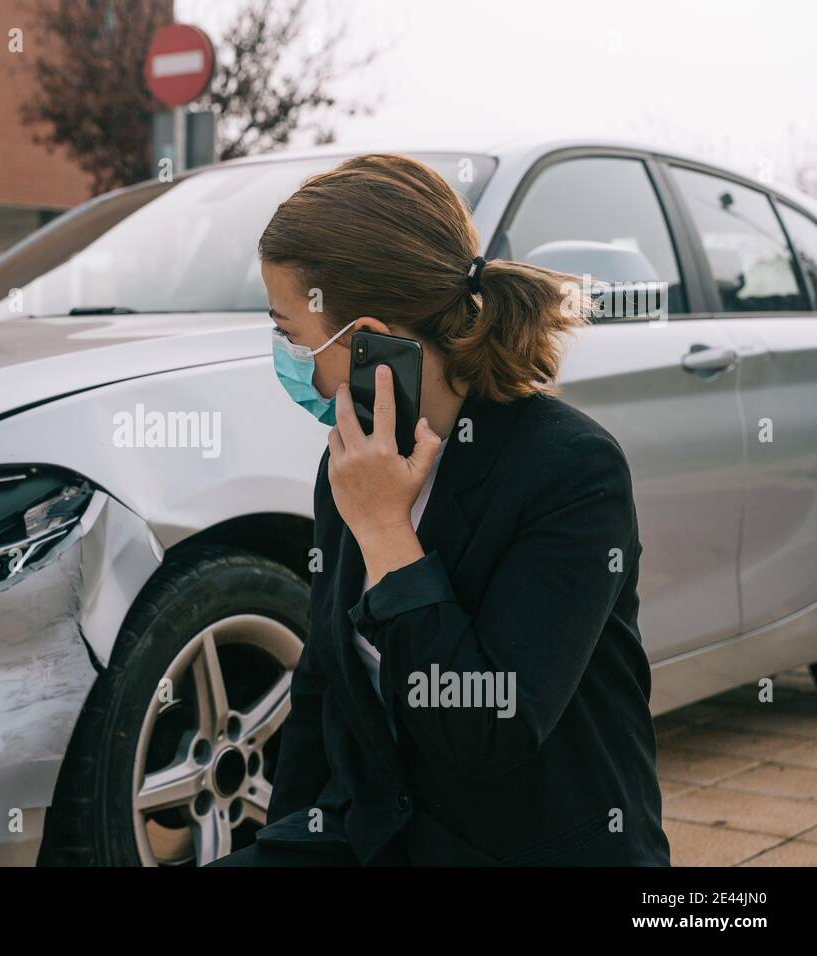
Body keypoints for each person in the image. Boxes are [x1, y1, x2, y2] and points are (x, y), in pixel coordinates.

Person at [207, 153, 670, 867]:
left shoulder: (572, 472)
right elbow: (325, 684)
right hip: (380, 840)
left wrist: (388, 532)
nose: (284, 354)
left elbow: (489, 729)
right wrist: (288, 839)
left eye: (288, 330)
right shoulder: (356, 458)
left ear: (364, 339)